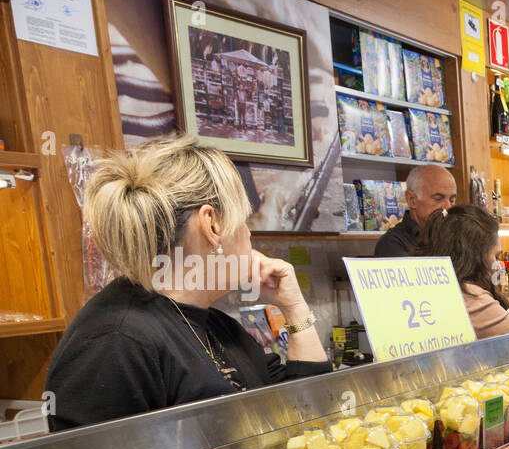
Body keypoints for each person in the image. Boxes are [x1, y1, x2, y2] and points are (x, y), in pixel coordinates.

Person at [45, 135, 330, 431]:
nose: (247, 234)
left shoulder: (219, 327)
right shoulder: (114, 342)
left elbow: (307, 420)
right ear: (212, 224)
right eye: (244, 219)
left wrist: (294, 309)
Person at [414, 204, 509, 339]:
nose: (499, 266)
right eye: (495, 256)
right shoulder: (473, 298)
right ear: (475, 256)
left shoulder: (434, 287)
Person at [374, 164, 457, 257]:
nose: (448, 207)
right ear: (412, 200)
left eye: (452, 200)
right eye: (438, 199)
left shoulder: (456, 236)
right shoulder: (391, 243)